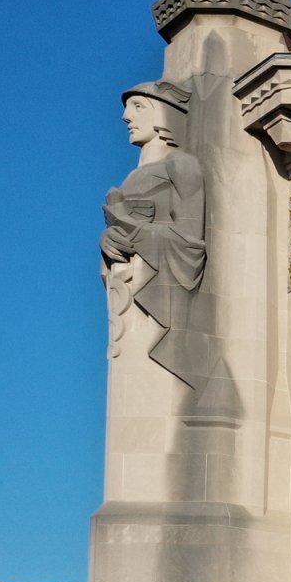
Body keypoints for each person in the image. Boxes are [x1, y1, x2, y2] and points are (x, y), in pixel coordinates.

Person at [102, 80, 207, 389]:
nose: (126, 116)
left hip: (158, 292)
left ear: (164, 115)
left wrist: (132, 230)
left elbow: (190, 242)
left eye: (138, 107)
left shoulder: (182, 165)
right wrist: (108, 242)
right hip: (127, 295)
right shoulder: (134, 175)